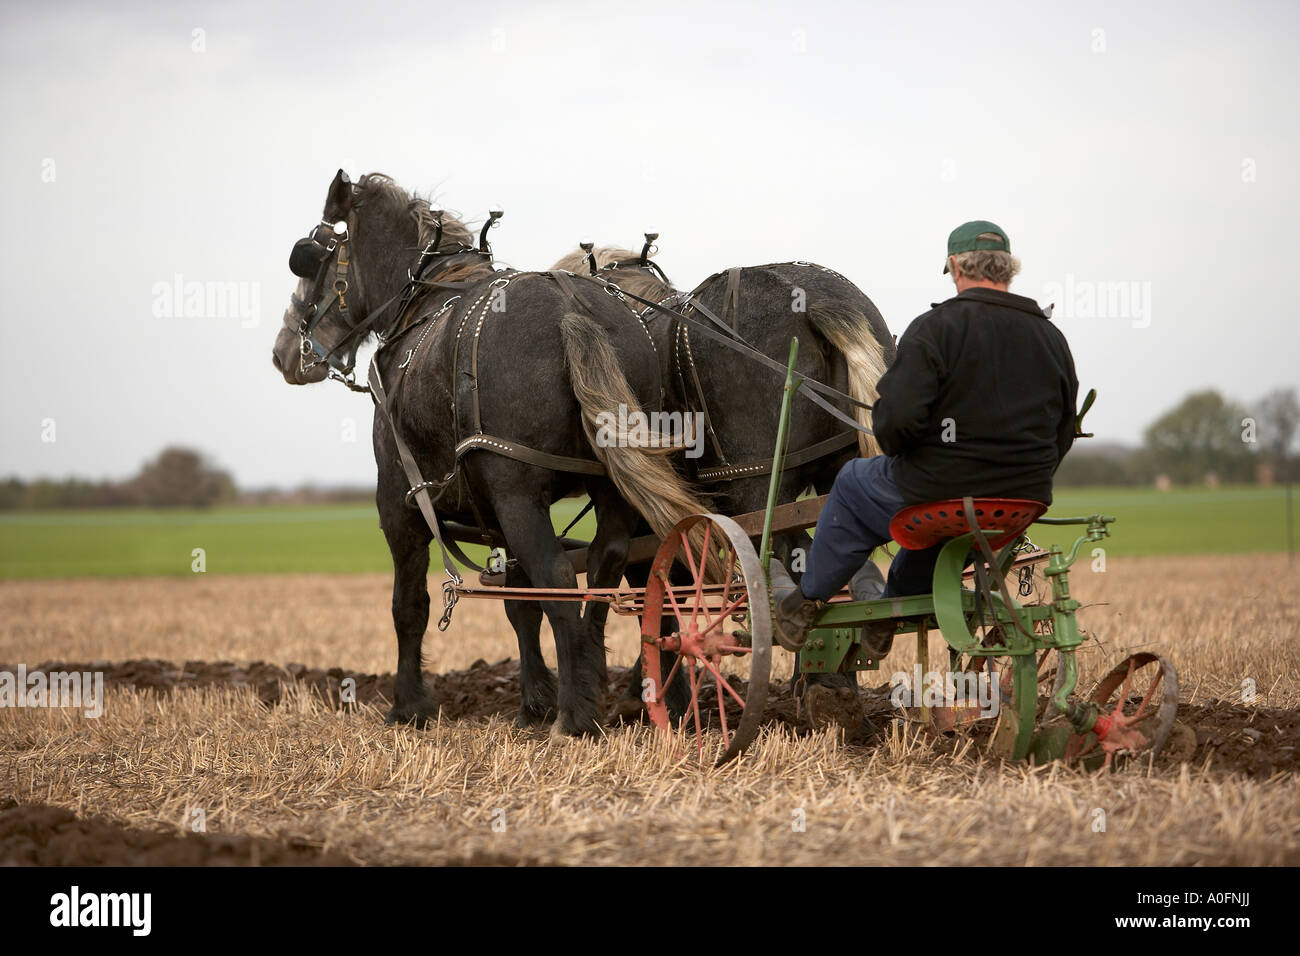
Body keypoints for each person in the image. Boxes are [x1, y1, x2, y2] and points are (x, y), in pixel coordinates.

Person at [772, 220, 1079, 652]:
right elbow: (1063, 431)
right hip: (1022, 501)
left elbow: (895, 425)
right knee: (940, 528)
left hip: (941, 489)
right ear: (1009, 269)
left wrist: (908, 449)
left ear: (955, 265)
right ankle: (892, 607)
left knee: (853, 483)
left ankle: (806, 601)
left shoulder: (936, 329)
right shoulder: (1051, 338)